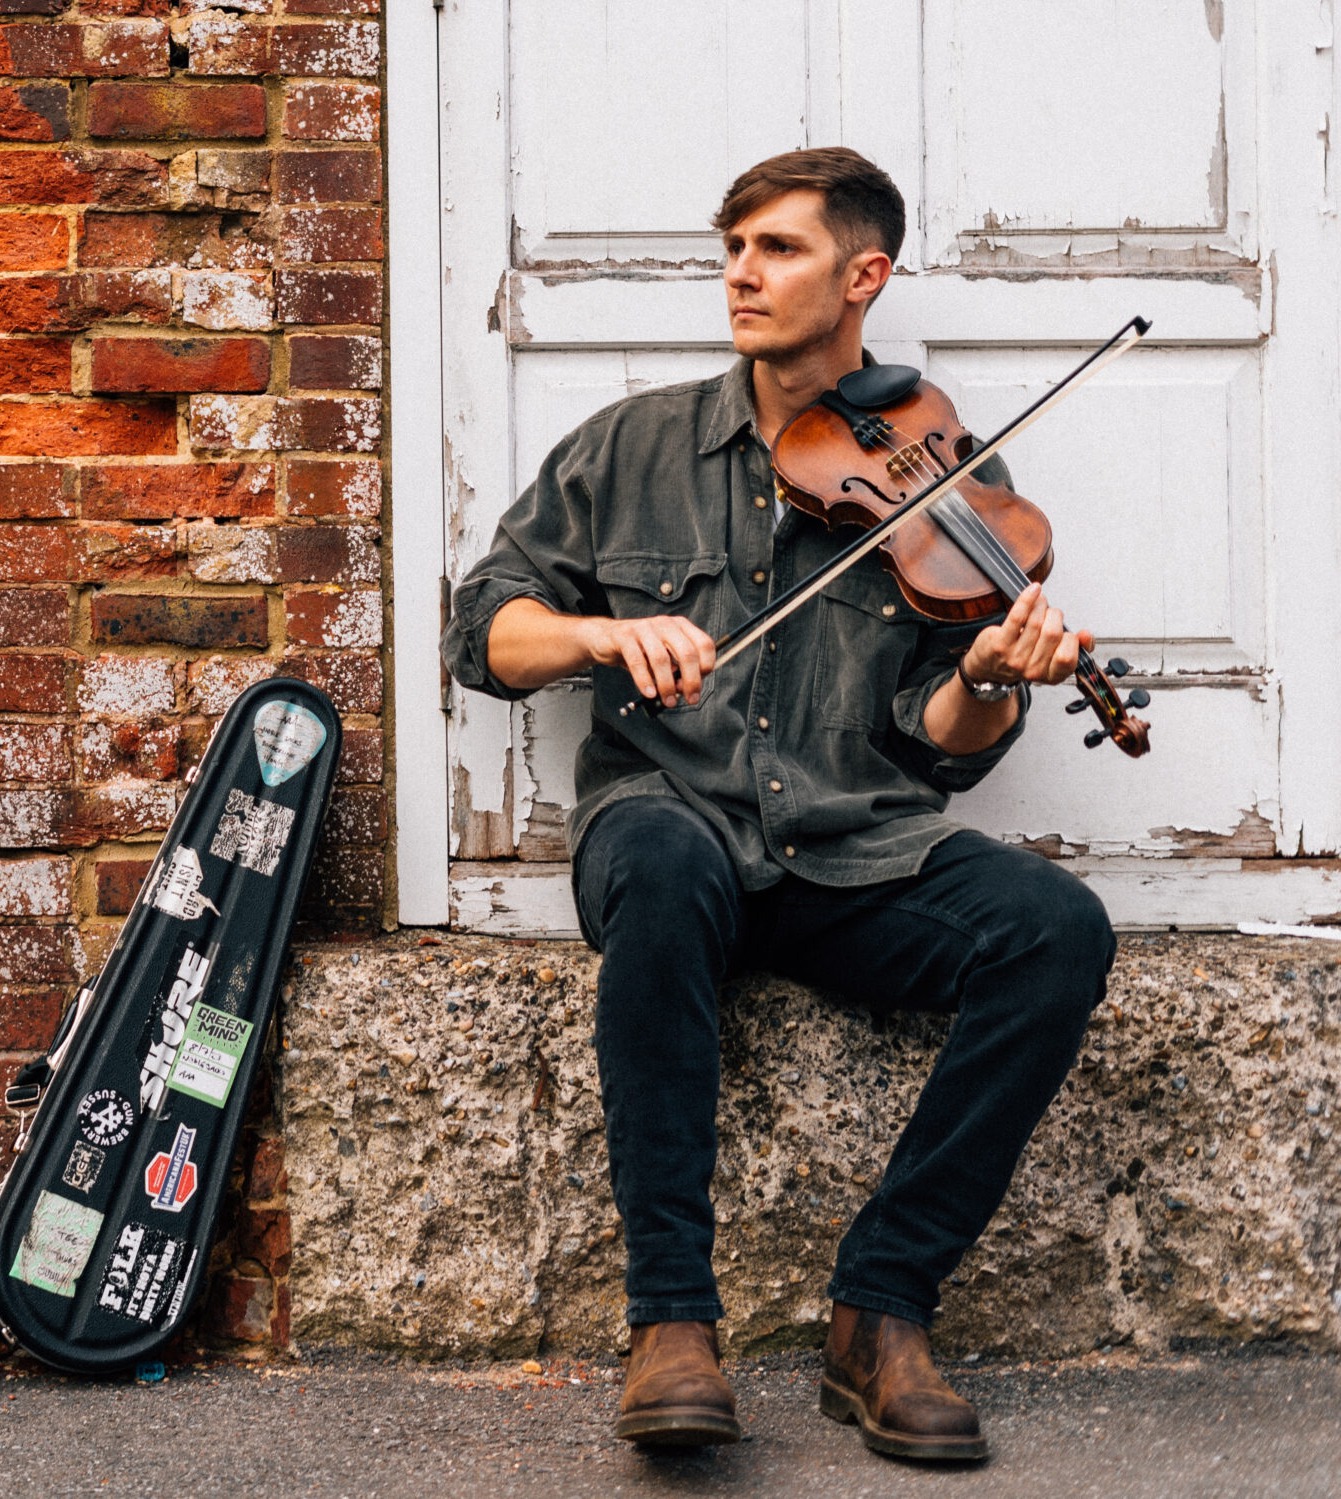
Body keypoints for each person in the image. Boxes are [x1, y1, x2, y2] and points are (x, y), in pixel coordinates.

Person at [441, 148, 1115, 1463]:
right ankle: (673, 1326)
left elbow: (943, 746)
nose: (742, 274)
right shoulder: (632, 447)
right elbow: (484, 631)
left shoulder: (940, 480)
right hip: (674, 828)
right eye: (735, 247)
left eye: (780, 249)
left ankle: (882, 1309)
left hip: (855, 850)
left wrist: (984, 677)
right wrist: (599, 639)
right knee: (657, 860)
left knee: (1054, 930)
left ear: (865, 276)